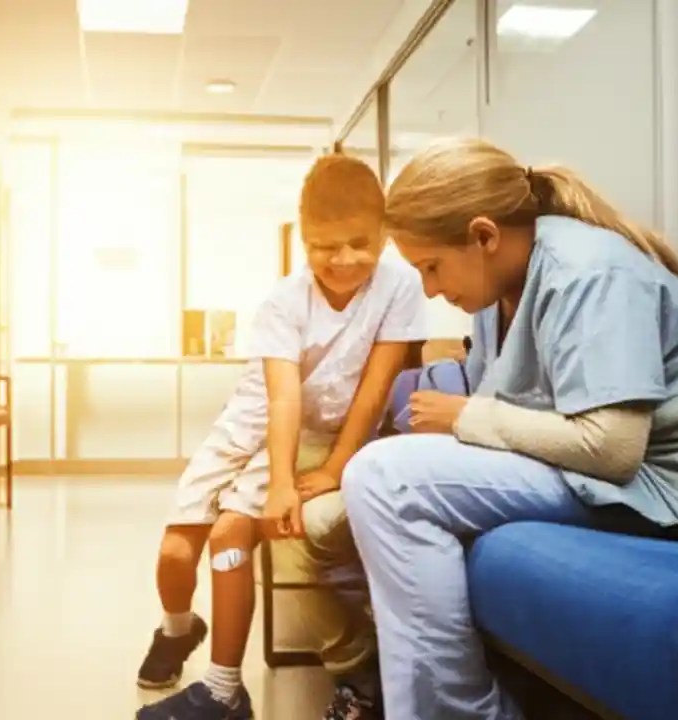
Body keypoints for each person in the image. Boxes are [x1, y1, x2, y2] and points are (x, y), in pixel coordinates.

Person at [339, 137, 678, 719]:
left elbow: (612, 447)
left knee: (387, 481)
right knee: (384, 477)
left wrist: (466, 419)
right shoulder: (499, 293)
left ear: (484, 235)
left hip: (674, 496)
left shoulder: (591, 272)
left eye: (430, 267)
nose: (430, 290)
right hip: (604, 483)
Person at [135, 153, 430, 720]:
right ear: (302, 241)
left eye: (358, 243)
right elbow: (282, 398)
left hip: (330, 430)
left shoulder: (399, 289)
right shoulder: (284, 301)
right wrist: (277, 483)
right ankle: (178, 630)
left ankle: (224, 690)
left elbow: (373, 393)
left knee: (229, 536)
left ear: (385, 234)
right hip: (262, 417)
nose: (342, 260)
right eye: (324, 246)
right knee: (177, 550)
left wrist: (333, 469)